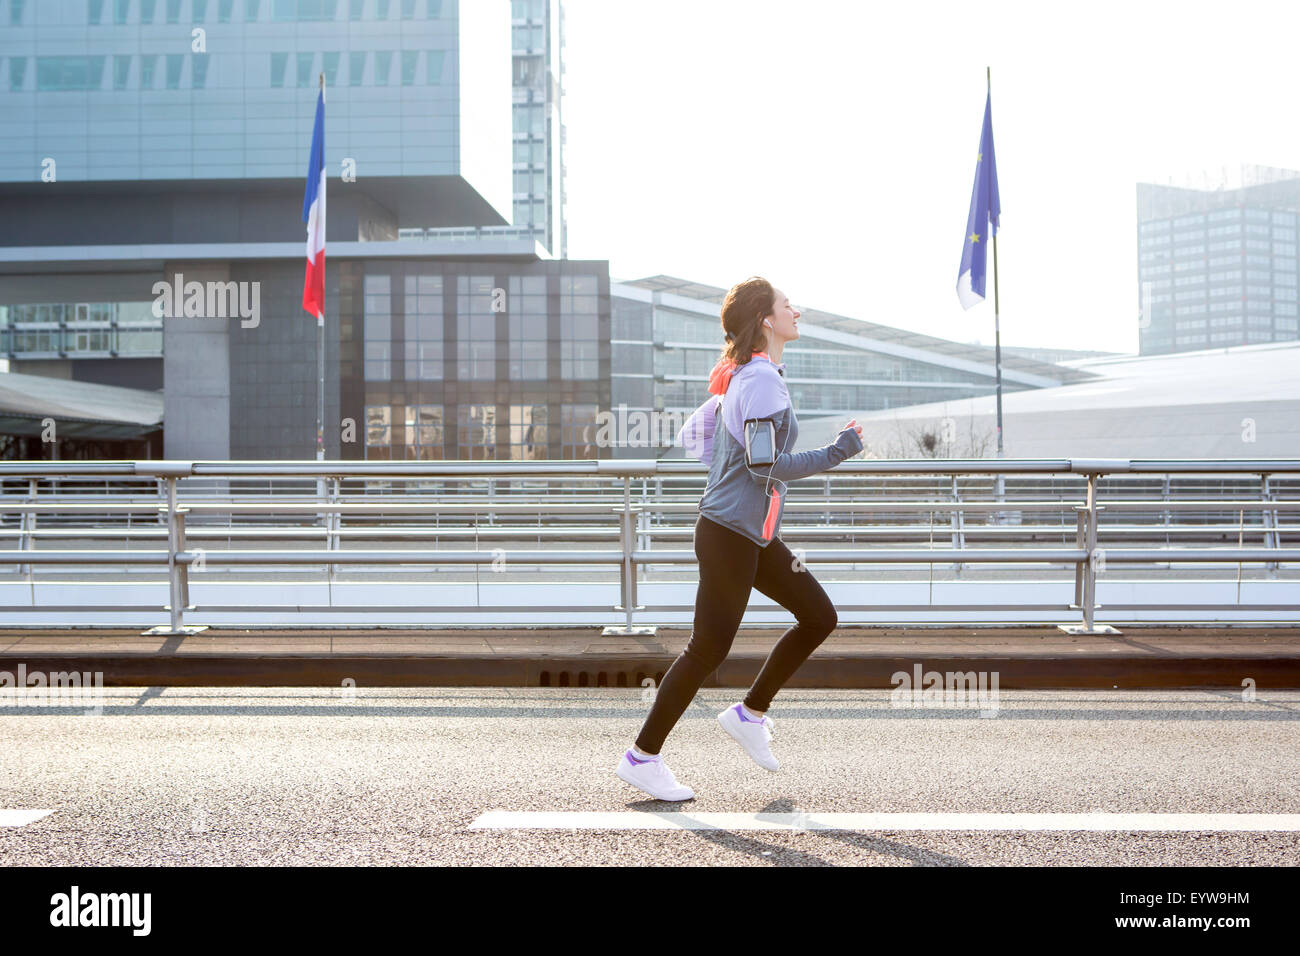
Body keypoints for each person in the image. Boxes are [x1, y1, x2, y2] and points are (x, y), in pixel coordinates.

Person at [616, 276, 865, 801]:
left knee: (819, 617)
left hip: (746, 532)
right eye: (786, 305)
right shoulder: (760, 381)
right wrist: (837, 451)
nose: (796, 311)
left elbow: (696, 439)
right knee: (707, 649)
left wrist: (731, 476)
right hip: (730, 533)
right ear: (767, 319)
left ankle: (750, 713)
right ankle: (642, 756)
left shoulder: (750, 376)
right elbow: (762, 465)